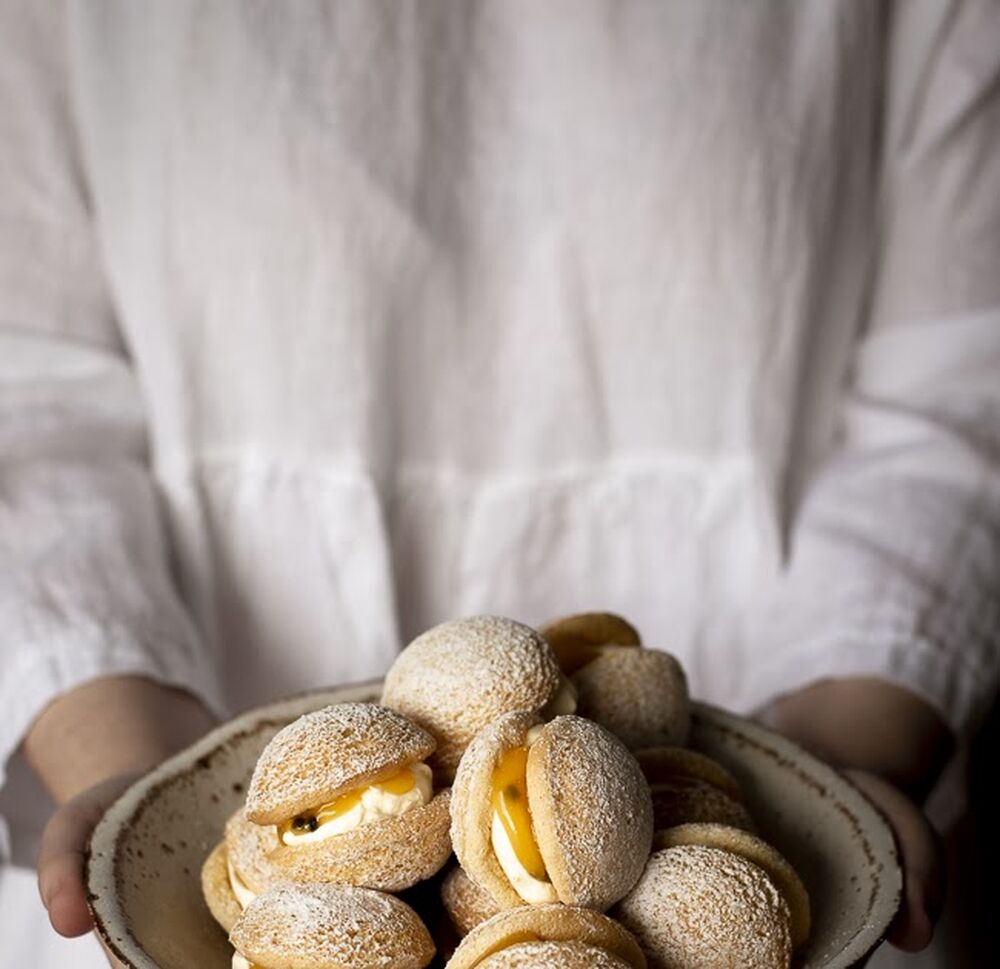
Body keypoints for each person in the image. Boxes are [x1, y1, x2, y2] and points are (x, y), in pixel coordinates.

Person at [1, 2, 997, 966]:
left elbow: (962, 383)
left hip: (787, 791)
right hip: (209, 715)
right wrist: (134, 759)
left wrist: (831, 749)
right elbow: (29, 389)